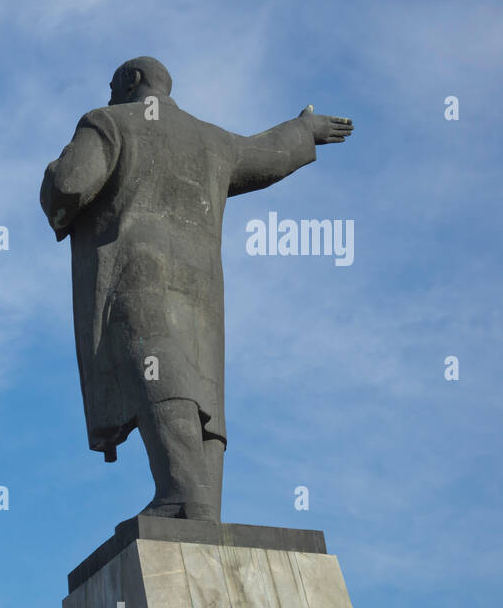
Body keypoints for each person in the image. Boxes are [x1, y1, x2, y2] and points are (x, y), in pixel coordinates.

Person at [40, 56, 352, 521]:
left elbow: (69, 185)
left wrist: (51, 177)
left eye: (112, 86)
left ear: (133, 81)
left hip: (137, 269)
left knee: (157, 367)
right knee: (202, 387)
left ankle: (182, 495)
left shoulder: (106, 122)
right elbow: (265, 154)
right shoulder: (212, 140)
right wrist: (304, 130)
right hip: (201, 287)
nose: (108, 95)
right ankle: (201, 506)